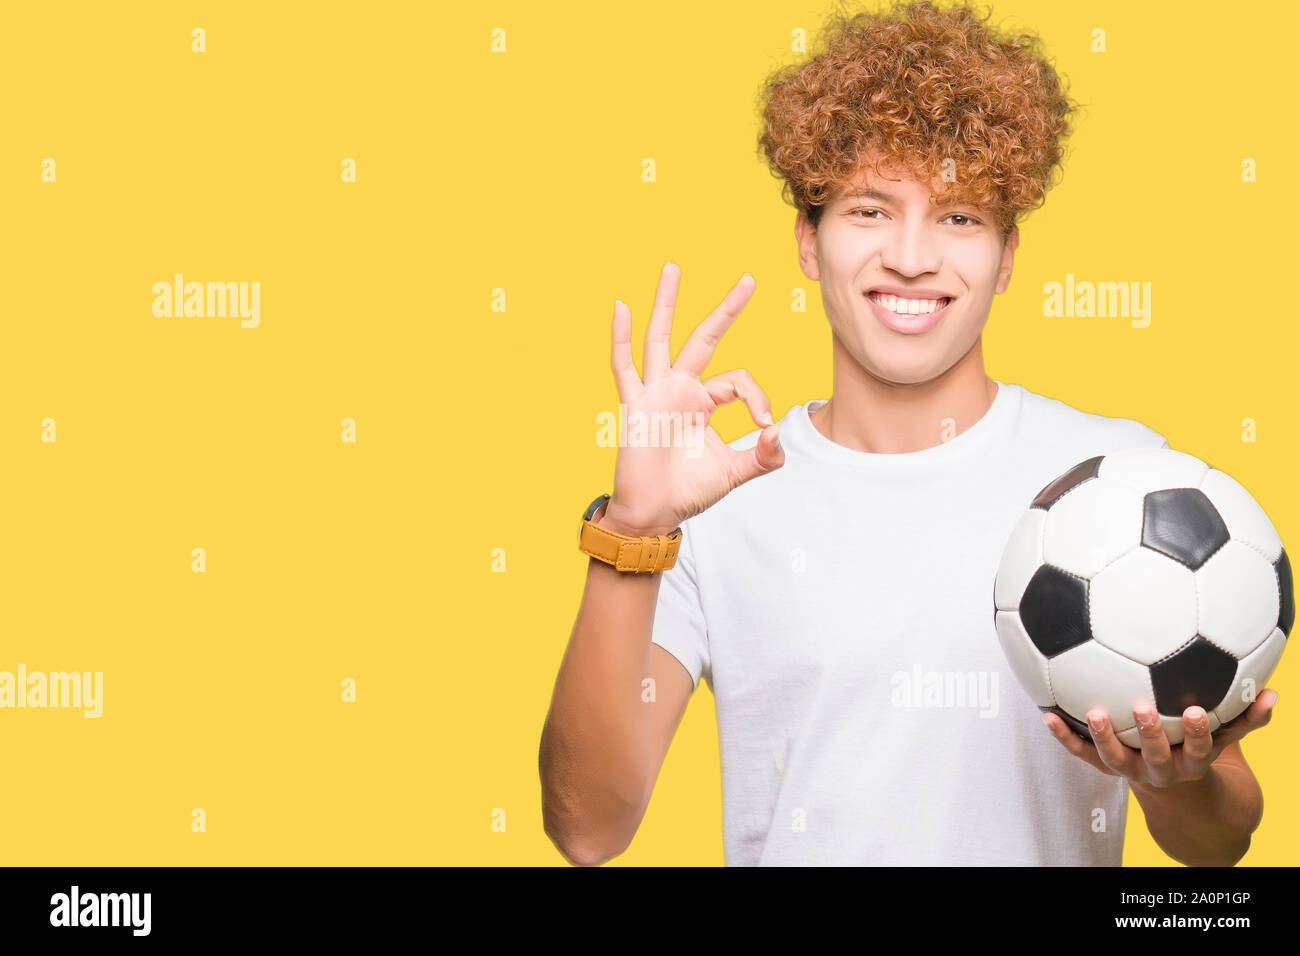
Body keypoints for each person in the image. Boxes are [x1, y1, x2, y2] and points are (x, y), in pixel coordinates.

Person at [538, 0, 1275, 866]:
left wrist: (1177, 780)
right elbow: (587, 828)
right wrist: (631, 530)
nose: (913, 257)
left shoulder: (1120, 480)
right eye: (870, 211)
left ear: (1006, 259)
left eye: (960, 216)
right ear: (807, 242)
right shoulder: (714, 500)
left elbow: (1221, 845)